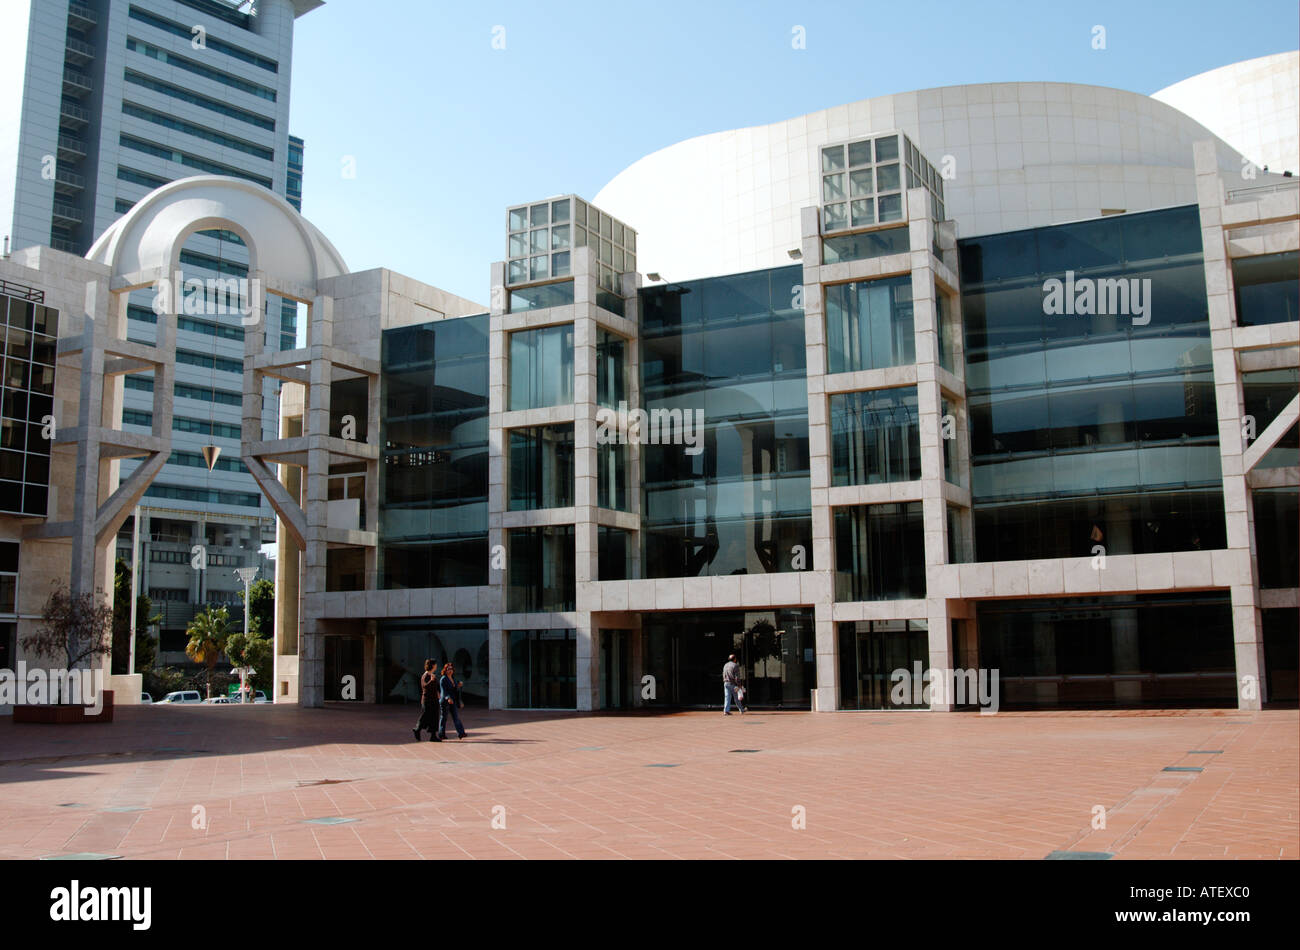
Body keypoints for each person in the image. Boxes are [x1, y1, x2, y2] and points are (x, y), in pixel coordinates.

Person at [412, 659, 441, 741]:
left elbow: (436, 686)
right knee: (426, 716)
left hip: (434, 699)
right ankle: (417, 729)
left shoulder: (432, 675)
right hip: (427, 700)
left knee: (434, 717)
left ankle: (433, 736)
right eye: (435, 664)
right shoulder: (425, 675)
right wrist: (431, 681)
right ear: (432, 665)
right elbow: (425, 687)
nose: (436, 666)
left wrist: (438, 692)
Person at [437, 661, 467, 740]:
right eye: (448, 669)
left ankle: (461, 733)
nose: (450, 670)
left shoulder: (453, 678)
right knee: (444, 718)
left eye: (451, 669)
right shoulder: (443, 679)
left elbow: (455, 689)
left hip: (452, 701)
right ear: (445, 670)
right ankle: (441, 734)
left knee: (456, 716)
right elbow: (444, 691)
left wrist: (459, 685)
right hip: (445, 701)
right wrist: (448, 698)